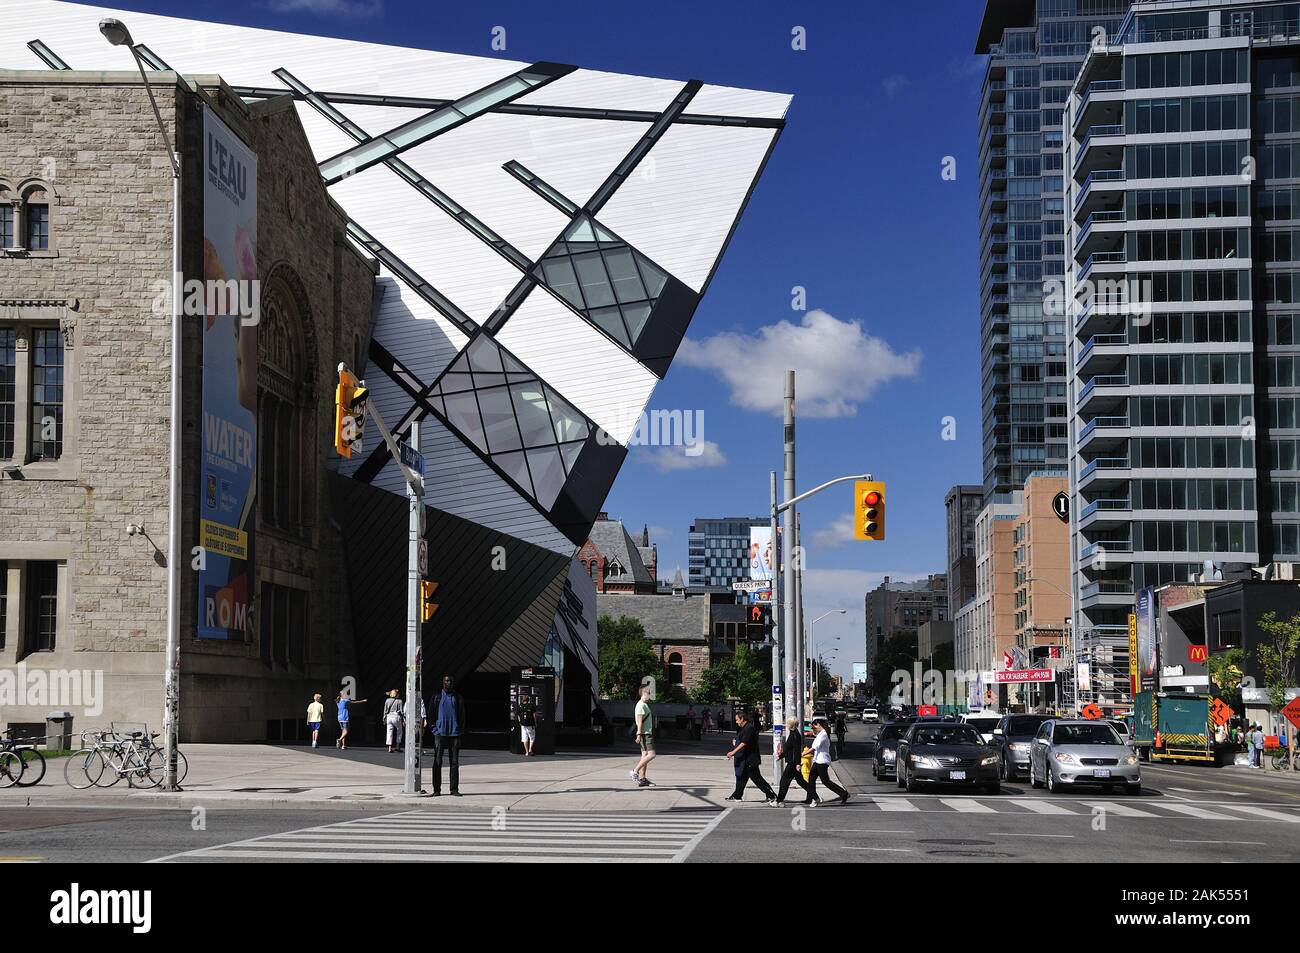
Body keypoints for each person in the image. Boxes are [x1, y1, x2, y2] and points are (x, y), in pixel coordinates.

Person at [725, 709, 777, 804]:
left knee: (757, 778)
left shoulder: (749, 728)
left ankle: (771, 795)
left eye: (737, 720)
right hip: (743, 758)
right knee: (741, 777)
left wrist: (733, 752)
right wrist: (735, 743)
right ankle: (737, 795)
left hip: (750, 758)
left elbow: (744, 743)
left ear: (742, 719)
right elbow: (741, 741)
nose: (736, 722)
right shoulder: (742, 728)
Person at [429, 675, 465, 796]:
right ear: (443, 682)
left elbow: (462, 715)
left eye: (451, 681)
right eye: (447, 681)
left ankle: (454, 789)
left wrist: (460, 730)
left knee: (454, 763)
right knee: (437, 762)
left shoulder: (457, 697)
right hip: (440, 734)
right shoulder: (436, 697)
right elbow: (431, 714)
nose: (449, 683)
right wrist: (434, 729)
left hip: (454, 734)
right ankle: (436, 790)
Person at [805, 717, 850, 806]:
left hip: (822, 762)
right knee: (811, 780)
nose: (813, 729)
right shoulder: (820, 733)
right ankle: (813, 798)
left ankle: (844, 794)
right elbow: (813, 734)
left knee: (825, 781)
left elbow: (814, 747)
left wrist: (803, 754)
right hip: (817, 761)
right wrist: (807, 732)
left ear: (819, 725)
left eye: (814, 727)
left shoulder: (823, 735)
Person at [775, 715, 812, 805]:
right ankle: (813, 796)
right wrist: (781, 755)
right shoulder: (793, 733)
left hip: (793, 762)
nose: (786, 724)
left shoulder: (795, 735)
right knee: (801, 781)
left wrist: (798, 763)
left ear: (790, 724)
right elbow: (789, 749)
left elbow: (796, 751)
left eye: (787, 723)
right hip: (793, 761)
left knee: (784, 781)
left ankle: (779, 801)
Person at [631, 683, 656, 787]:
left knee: (644, 756)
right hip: (645, 734)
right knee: (652, 755)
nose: (650, 695)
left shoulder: (643, 705)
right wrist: (639, 734)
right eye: (649, 693)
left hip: (645, 733)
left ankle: (642, 779)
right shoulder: (641, 705)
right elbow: (639, 721)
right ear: (644, 693)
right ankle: (635, 771)